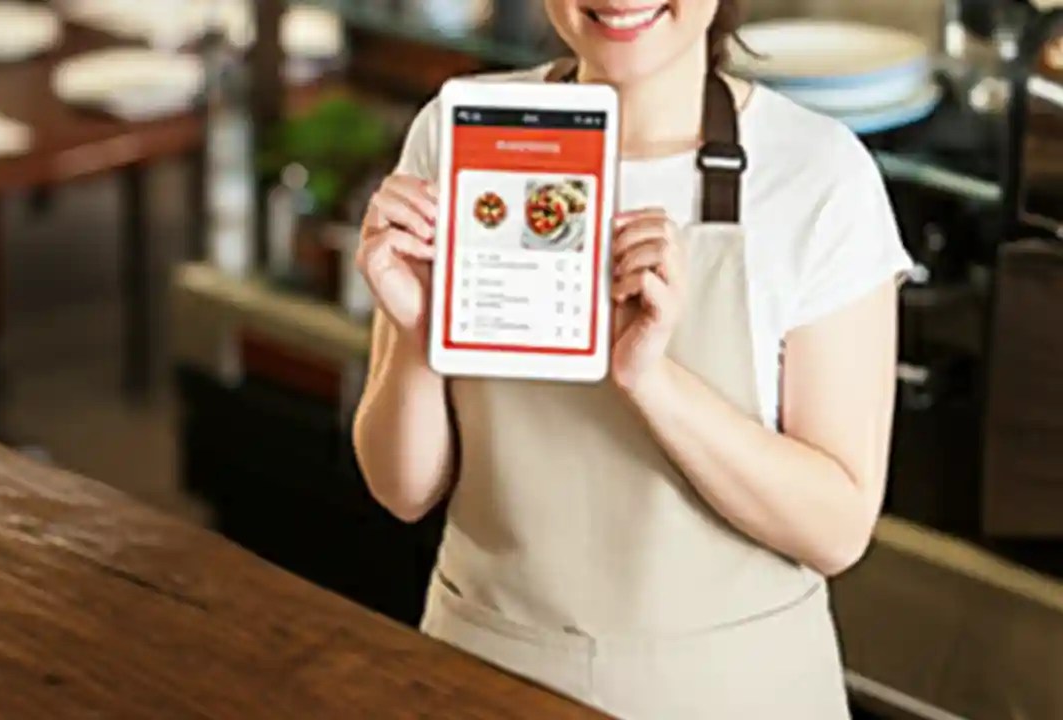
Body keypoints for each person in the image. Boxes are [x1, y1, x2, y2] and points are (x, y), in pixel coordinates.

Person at [352, 1, 914, 717]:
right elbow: (400, 489)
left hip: (732, 694)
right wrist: (419, 335)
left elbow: (836, 528)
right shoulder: (462, 131)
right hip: (484, 672)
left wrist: (651, 380)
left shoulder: (817, 176)